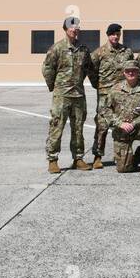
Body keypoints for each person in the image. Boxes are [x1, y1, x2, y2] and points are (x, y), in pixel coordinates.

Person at [41, 16, 98, 173]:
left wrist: (97, 85)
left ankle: (78, 158)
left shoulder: (84, 49)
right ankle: (52, 160)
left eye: (77, 27)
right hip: (62, 96)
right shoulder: (57, 48)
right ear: (66, 29)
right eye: (71, 27)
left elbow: (90, 69)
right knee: (57, 127)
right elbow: (47, 69)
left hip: (78, 95)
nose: (75, 29)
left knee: (78, 128)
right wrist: (53, 86)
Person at [90, 23, 135, 169]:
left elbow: (131, 69)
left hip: (122, 95)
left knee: (123, 123)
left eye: (118, 34)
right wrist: (99, 85)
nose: (115, 37)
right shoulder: (99, 53)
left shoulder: (126, 52)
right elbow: (91, 71)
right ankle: (97, 156)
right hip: (105, 94)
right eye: (113, 34)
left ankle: (122, 155)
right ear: (108, 35)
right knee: (102, 126)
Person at [108, 60, 140, 177]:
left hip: (139, 127)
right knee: (123, 169)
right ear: (124, 72)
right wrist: (119, 123)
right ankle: (138, 156)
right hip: (122, 129)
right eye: (128, 71)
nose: (131, 73)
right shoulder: (115, 89)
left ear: (138, 72)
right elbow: (105, 110)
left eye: (134, 71)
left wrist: (135, 123)